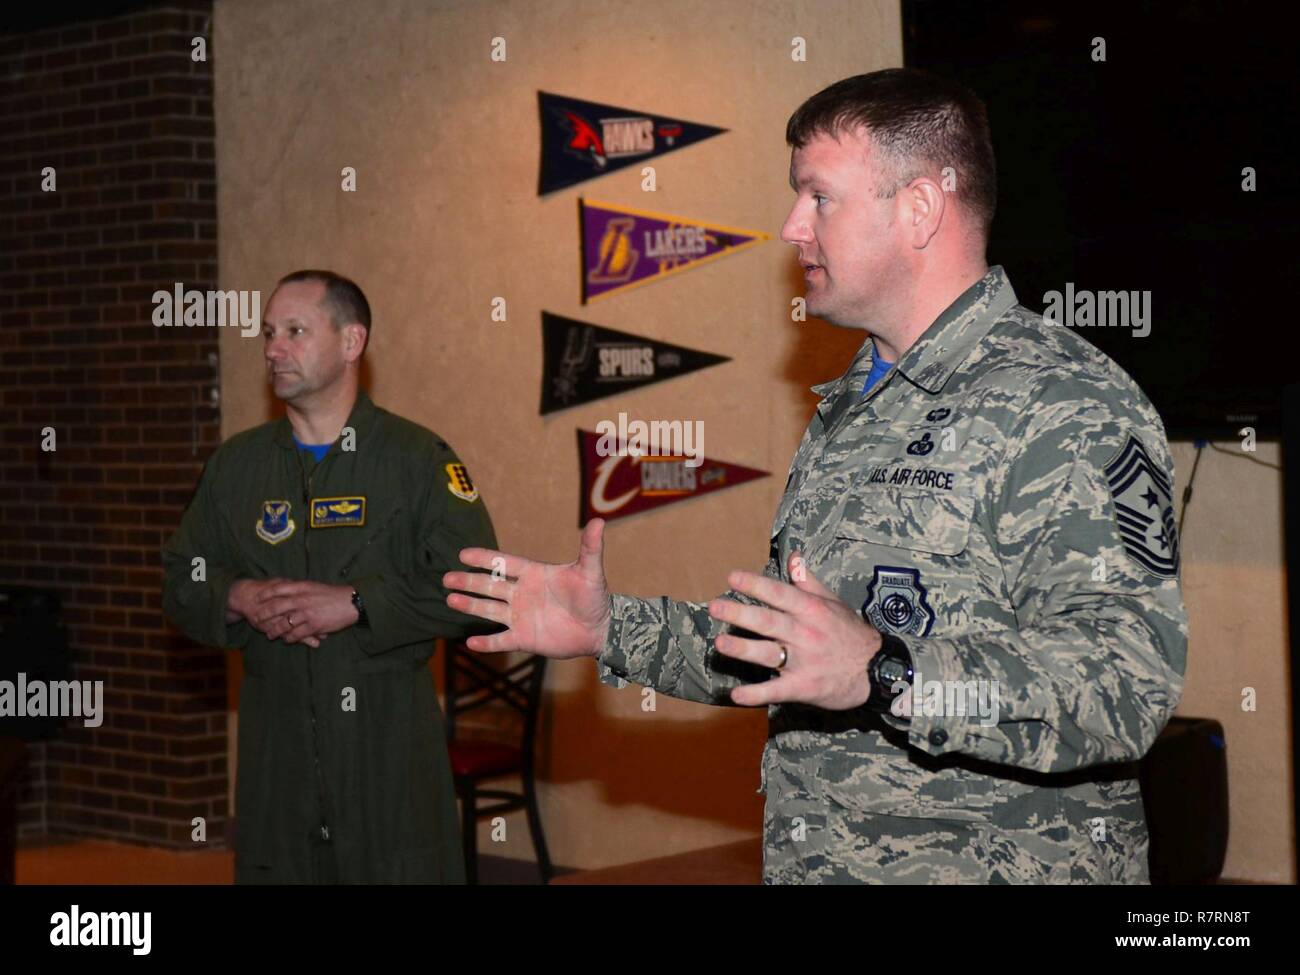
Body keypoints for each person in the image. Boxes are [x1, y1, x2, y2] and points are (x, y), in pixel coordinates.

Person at [444, 69, 1187, 884]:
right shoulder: (855, 402)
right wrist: (607, 628)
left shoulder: (1066, 400)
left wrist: (887, 671)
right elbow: (788, 650)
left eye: (819, 196)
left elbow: (1125, 686)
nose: (792, 226)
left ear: (920, 209)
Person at [163, 269, 496, 883]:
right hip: (276, 758)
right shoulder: (237, 467)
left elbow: (481, 592)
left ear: (351, 342)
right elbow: (182, 579)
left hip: (387, 753)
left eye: (294, 331)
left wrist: (358, 602)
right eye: (268, 333)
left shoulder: (416, 460)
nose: (273, 349)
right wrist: (237, 594)